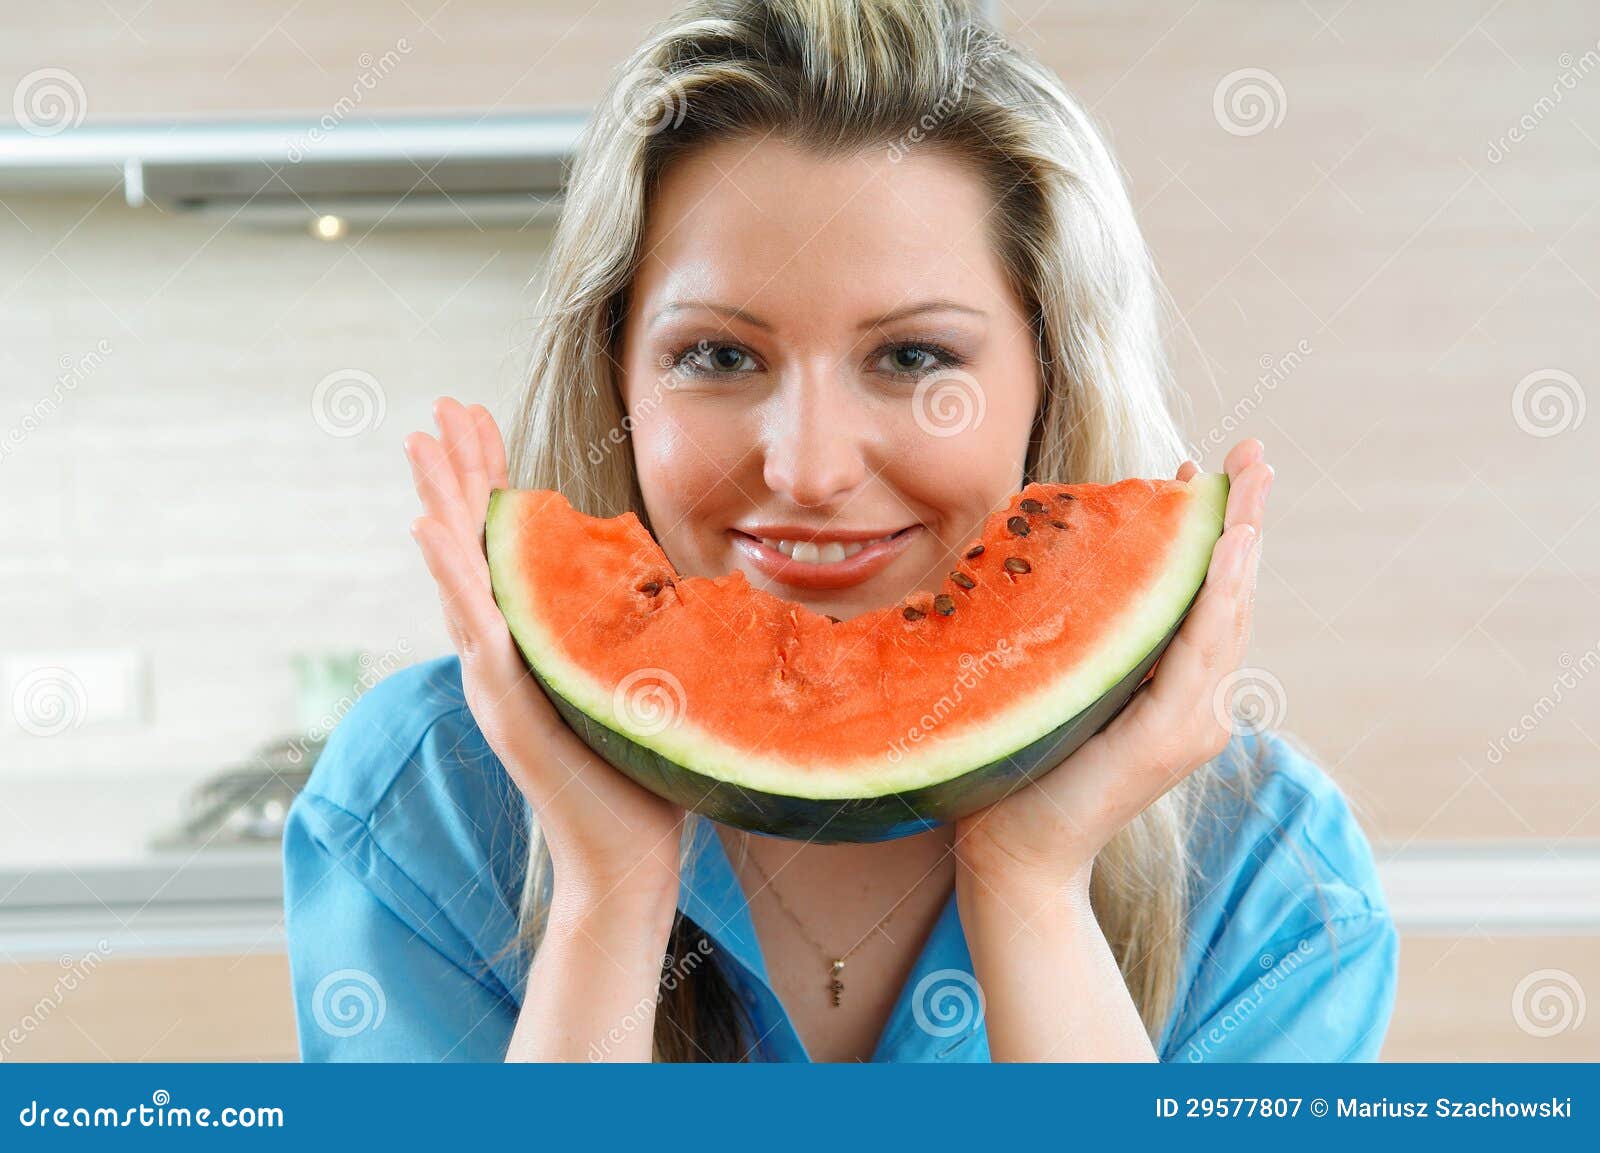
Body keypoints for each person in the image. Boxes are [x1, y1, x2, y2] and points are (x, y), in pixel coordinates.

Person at [283, 0, 1396, 1062]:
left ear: (1051, 380)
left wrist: (1031, 884)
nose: (808, 469)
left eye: (912, 358)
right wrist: (609, 895)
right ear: (613, 373)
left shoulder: (1271, 877)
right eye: (718, 355)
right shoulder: (426, 799)